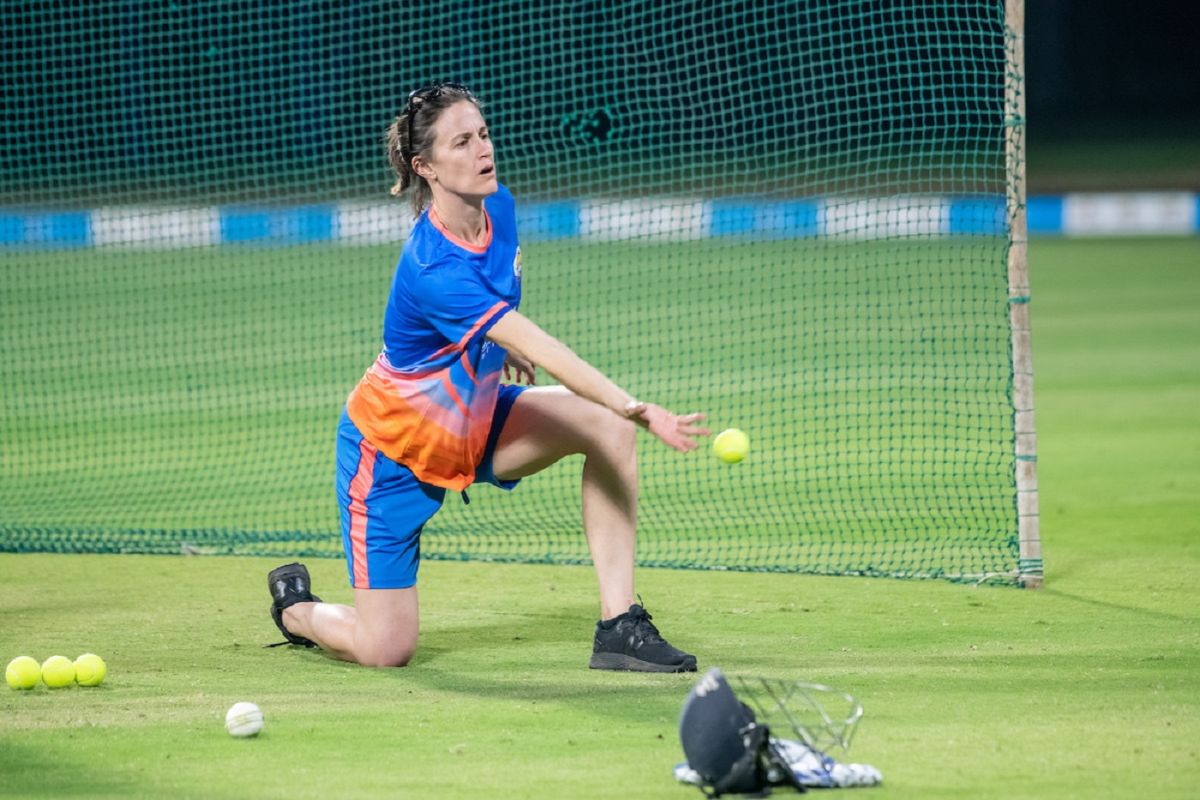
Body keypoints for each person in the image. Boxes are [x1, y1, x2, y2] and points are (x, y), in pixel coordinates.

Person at [267, 83, 709, 672]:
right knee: (386, 650)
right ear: (424, 166)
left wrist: (499, 355)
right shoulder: (431, 267)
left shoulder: (498, 206)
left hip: (476, 426)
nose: (483, 150)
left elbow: (498, 310)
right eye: (461, 142)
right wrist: (636, 405)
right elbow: (541, 344)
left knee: (605, 429)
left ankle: (619, 626)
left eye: (483, 134)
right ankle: (297, 609)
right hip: (390, 458)